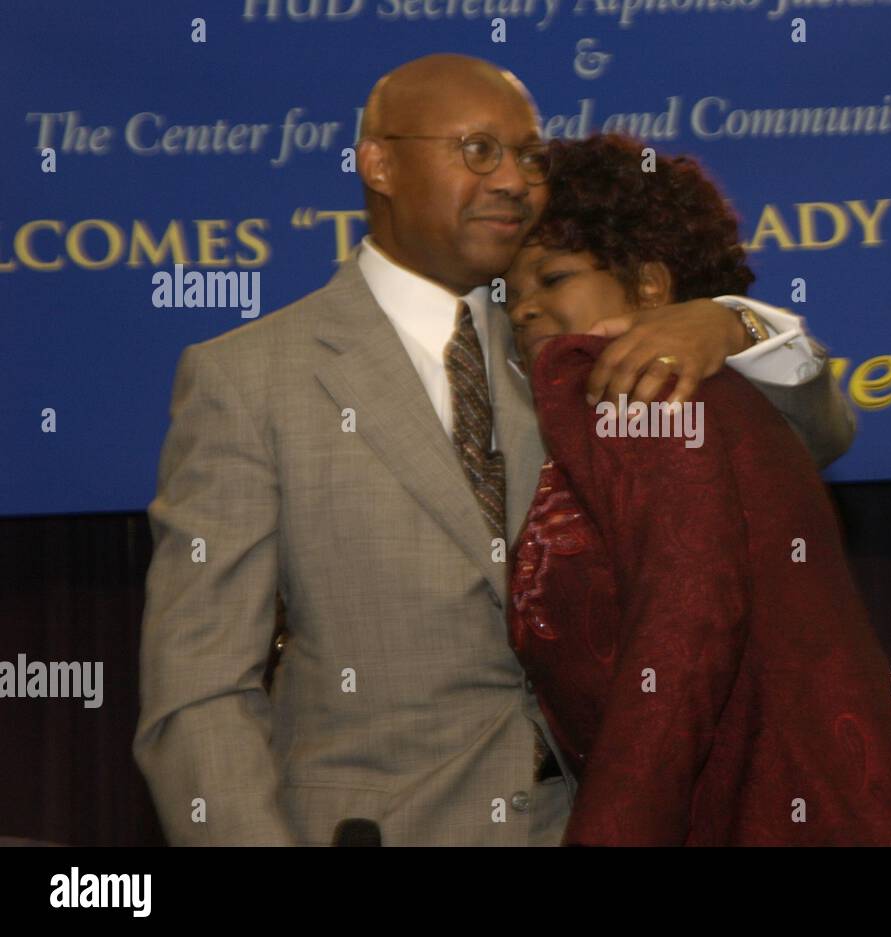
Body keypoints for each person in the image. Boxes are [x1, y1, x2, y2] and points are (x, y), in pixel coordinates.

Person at [133, 55, 854, 846]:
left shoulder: (579, 347)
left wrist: (735, 324)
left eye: (530, 157)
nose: (515, 179)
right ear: (378, 162)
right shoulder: (251, 378)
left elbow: (813, 438)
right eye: (479, 150)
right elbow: (197, 690)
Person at [503, 134, 891, 845]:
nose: (522, 309)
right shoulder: (559, 411)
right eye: (510, 293)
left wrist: (732, 318)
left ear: (649, 284)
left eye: (552, 279)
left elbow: (685, 634)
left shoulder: (672, 396)